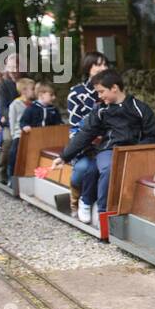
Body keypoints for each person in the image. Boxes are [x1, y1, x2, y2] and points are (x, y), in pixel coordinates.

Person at [52, 70, 155, 221]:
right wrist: (64, 156)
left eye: (102, 91)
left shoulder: (141, 108)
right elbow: (85, 134)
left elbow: (152, 136)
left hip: (135, 152)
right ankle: (103, 213)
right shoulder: (100, 110)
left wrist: (137, 151)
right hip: (109, 151)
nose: (99, 96)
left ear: (114, 88)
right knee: (110, 168)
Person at [65, 52, 109, 218]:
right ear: (88, 68)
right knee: (84, 168)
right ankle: (76, 200)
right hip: (84, 145)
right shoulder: (77, 93)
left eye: (105, 64)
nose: (103, 68)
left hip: (108, 145)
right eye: (98, 65)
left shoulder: (112, 90)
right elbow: (75, 127)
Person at [0, 55, 21, 183]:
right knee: (9, 141)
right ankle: (2, 170)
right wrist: (13, 117)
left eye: (16, 67)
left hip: (26, 120)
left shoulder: (27, 82)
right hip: (10, 121)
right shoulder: (4, 85)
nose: (13, 70)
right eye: (11, 67)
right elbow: (3, 107)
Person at [3, 76, 36, 178]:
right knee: (14, 153)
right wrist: (14, 135)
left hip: (33, 134)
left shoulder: (34, 104)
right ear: (24, 91)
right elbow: (12, 121)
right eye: (32, 89)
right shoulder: (15, 104)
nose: (35, 91)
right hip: (19, 134)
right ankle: (11, 175)